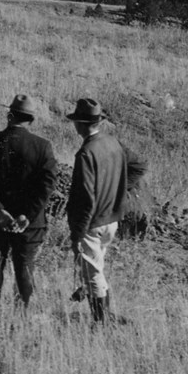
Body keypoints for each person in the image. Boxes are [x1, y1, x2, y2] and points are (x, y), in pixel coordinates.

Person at [0, 95, 60, 314]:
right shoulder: (42, 147)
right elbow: (47, 185)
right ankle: (23, 316)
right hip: (29, 224)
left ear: (9, 116)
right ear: (31, 120)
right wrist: (26, 215)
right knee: (25, 269)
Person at [65, 98, 147, 324]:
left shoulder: (86, 153)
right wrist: (120, 190)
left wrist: (77, 233)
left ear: (80, 125)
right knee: (97, 270)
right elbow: (140, 165)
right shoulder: (113, 143)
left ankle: (101, 323)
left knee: (93, 275)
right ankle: (105, 317)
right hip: (112, 218)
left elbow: (85, 198)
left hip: (93, 222)